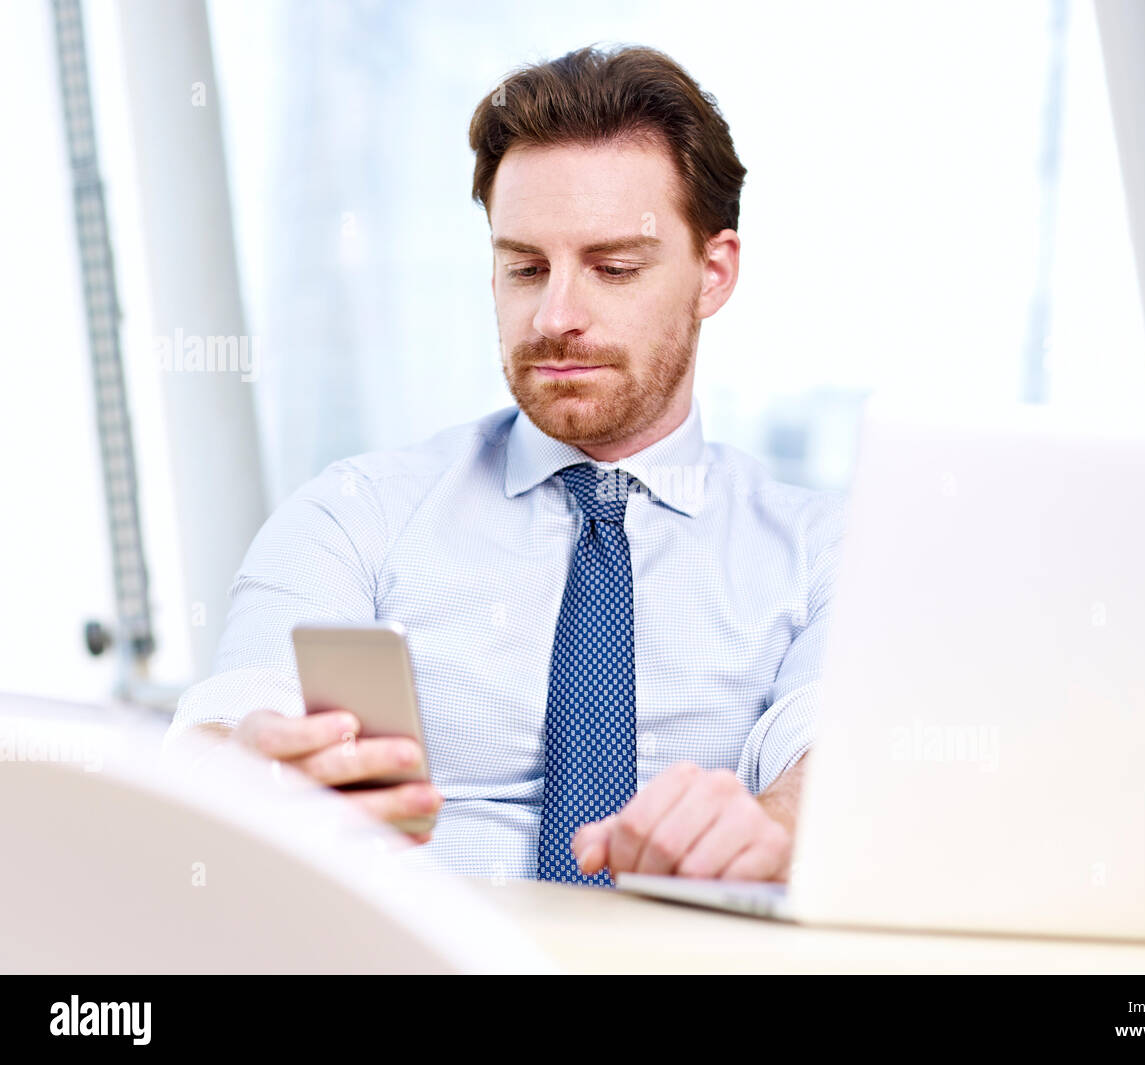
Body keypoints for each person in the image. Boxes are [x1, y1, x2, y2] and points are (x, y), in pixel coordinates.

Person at [166, 44, 844, 887]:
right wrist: (245, 767)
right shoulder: (358, 515)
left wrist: (777, 825)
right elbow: (227, 715)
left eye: (614, 268)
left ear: (714, 272)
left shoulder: (822, 549)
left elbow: (838, 745)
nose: (556, 315)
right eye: (524, 267)